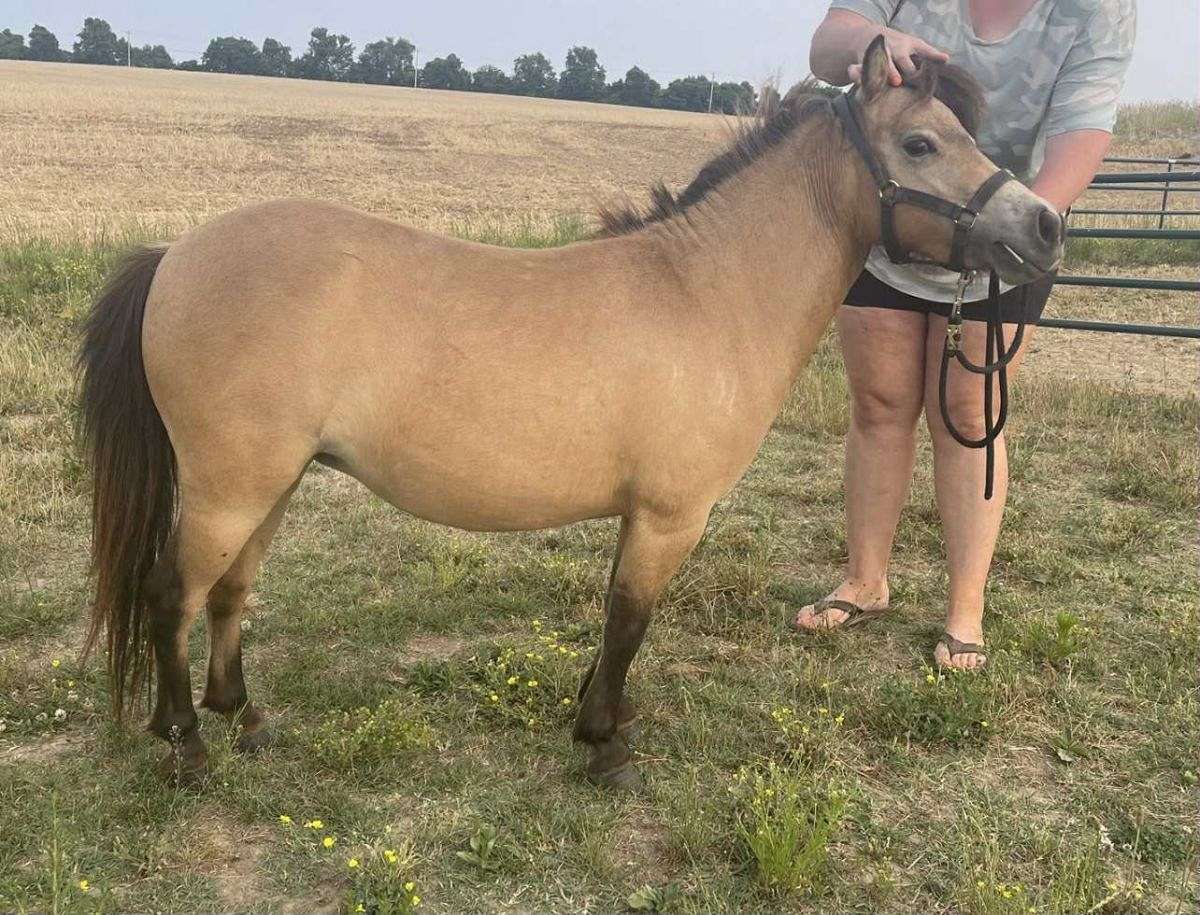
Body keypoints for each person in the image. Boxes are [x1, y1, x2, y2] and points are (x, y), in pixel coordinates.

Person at [794, 0, 1136, 668]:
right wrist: (876, 36)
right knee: (880, 403)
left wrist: (1021, 219)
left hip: (1002, 224)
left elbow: (1082, 127)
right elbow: (827, 44)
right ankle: (865, 580)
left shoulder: (1099, 10)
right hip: (893, 215)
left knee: (968, 416)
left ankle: (965, 610)